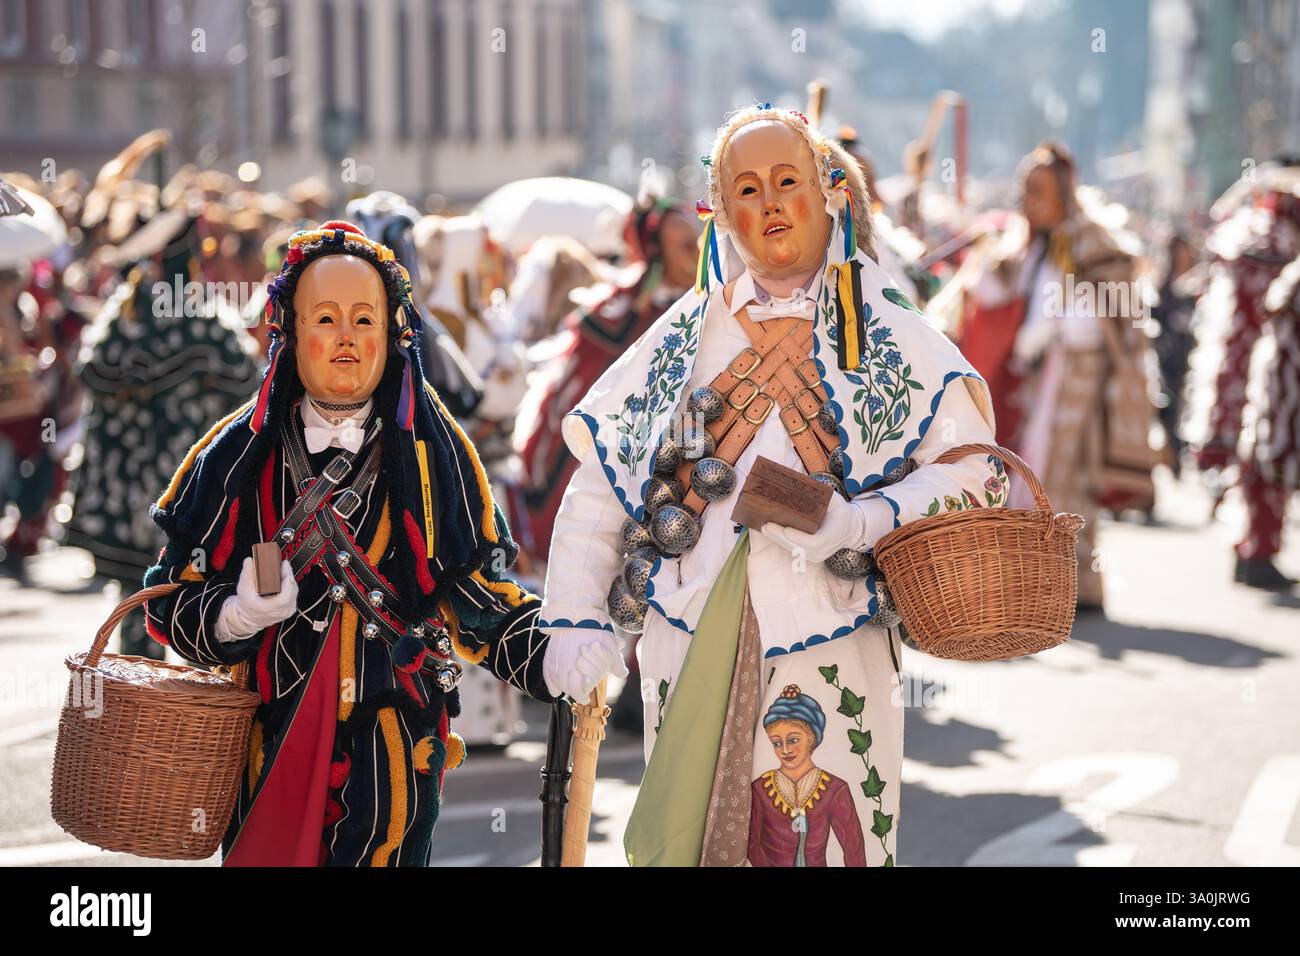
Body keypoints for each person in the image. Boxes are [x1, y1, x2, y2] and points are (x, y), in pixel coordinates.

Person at [540, 105, 1005, 867]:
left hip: (834, 635)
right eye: (745, 189)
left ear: (828, 194)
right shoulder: (686, 332)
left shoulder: (887, 329)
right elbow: (602, 479)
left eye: (786, 181)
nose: (769, 204)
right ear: (720, 211)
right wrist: (573, 617)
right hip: (685, 635)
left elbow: (977, 475)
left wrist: (861, 523)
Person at [142, 221, 553, 865]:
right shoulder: (235, 454)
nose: (346, 339)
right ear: (290, 330)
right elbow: (168, 598)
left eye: (365, 320)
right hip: (265, 741)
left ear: (393, 333)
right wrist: (235, 615)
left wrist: (553, 654)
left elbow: (480, 594)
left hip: (391, 752)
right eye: (325, 318)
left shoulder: (435, 452)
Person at [967, 141, 1152, 611]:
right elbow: (990, 290)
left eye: (1039, 191)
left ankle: (1075, 586)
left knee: (1066, 478)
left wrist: (1052, 327)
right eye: (1025, 191)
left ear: (1064, 193)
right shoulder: (1028, 244)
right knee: (1028, 475)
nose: (1029, 202)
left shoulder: (1094, 246)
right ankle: (1034, 582)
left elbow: (1109, 321)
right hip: (1033, 383)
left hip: (1079, 380)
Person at [1188, 160, 1300, 589]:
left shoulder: (1256, 235)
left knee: (1258, 462)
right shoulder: (1271, 241)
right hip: (1266, 369)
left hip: (1249, 368)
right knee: (1264, 463)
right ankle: (1256, 549)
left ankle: (1251, 547)